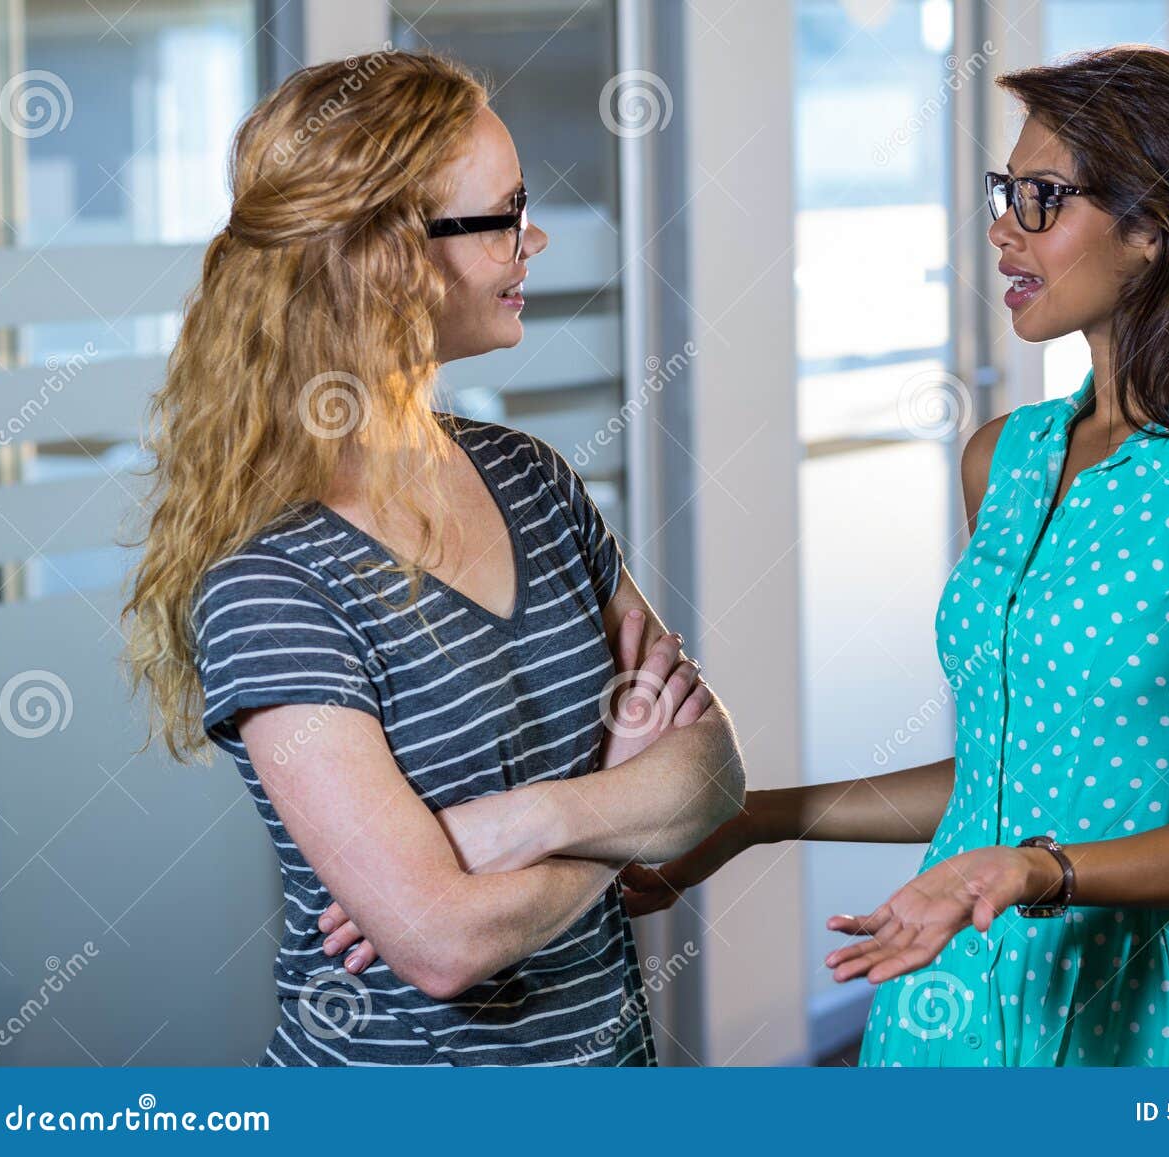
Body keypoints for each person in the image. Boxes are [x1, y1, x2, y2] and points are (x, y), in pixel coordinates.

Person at [620, 46, 1169, 1067]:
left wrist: (1034, 871)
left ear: (1153, 229)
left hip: (1149, 1021)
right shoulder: (1002, 458)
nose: (1003, 227)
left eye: (1043, 198)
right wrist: (749, 819)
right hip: (955, 983)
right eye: (1004, 190)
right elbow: (1003, 777)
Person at [121, 50, 744, 1066]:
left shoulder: (532, 478)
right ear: (391, 259)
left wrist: (510, 825)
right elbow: (443, 944)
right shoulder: (271, 583)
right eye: (504, 214)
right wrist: (621, 812)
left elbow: (711, 769)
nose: (532, 238)